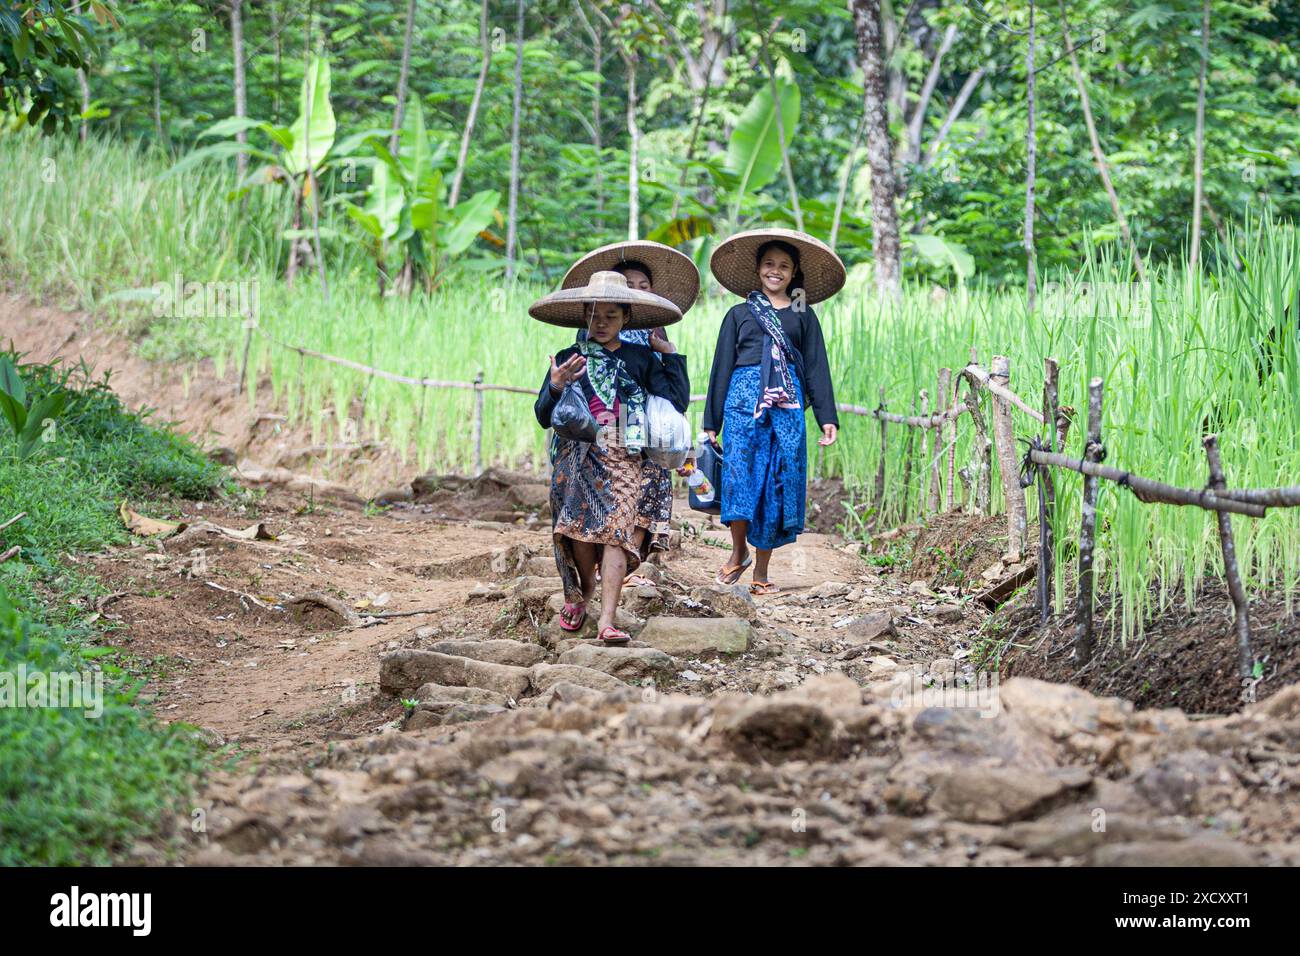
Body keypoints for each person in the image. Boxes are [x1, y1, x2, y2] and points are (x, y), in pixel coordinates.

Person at [531, 271, 690, 645]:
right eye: (595, 316)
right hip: (576, 456)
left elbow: (676, 402)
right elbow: (542, 416)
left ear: (626, 318)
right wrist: (556, 384)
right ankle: (583, 592)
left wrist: (670, 357)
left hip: (625, 454)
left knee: (617, 533)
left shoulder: (641, 358)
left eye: (612, 316)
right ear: (584, 314)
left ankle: (607, 619)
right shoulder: (570, 358)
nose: (602, 324)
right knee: (580, 533)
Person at [701, 228, 846, 595]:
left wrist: (827, 417)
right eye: (769, 264)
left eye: (783, 265)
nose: (775, 271)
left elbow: (815, 367)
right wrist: (711, 423)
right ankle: (737, 553)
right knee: (738, 478)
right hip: (742, 405)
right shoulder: (739, 313)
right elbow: (721, 367)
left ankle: (761, 570)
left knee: (775, 484)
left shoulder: (802, 315)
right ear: (758, 269)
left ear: (794, 272)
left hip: (787, 409)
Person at [562, 241, 701, 583]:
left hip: (647, 429)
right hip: (602, 431)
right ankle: (601, 570)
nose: (638, 292)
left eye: (645, 287)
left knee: (651, 489)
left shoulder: (657, 332)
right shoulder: (593, 330)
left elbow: (672, 397)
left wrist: (669, 354)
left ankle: (626, 562)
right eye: (631, 287)